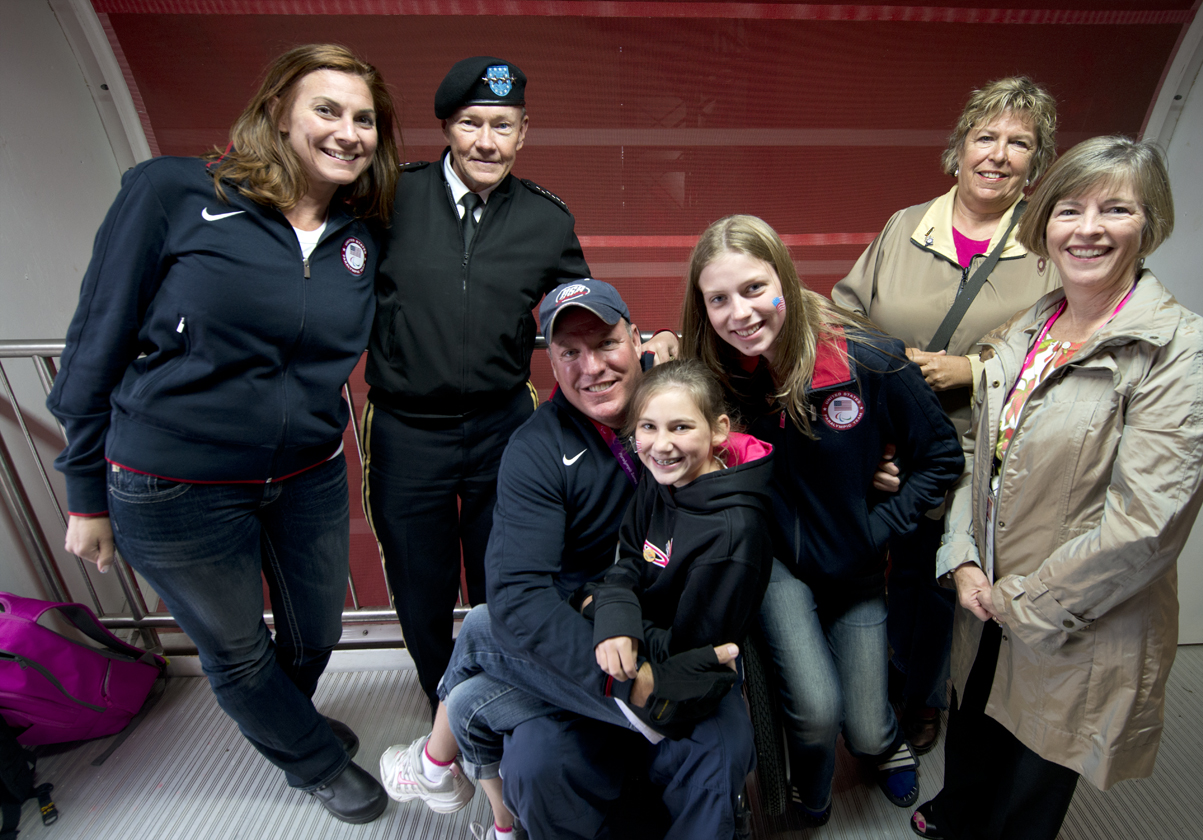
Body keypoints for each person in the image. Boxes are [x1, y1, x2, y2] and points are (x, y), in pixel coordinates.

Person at [47, 45, 400, 823]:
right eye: (328, 110)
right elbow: (96, 341)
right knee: (237, 648)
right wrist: (83, 493)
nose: (349, 131)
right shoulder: (175, 191)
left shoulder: (361, 234)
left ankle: (285, 720)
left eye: (365, 118)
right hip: (174, 484)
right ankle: (308, 759)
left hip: (307, 472)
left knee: (316, 630)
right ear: (278, 112)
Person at [910, 136, 1203, 840]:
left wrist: (1021, 601)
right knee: (975, 733)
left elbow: (1144, 528)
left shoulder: (1179, 352)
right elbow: (980, 451)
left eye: (1115, 209)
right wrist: (962, 554)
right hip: (989, 593)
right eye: (1069, 209)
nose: (1087, 229)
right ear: (1044, 224)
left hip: (1075, 614)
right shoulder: (1029, 327)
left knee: (1030, 782)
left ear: (1149, 224)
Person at [379, 283, 758, 840]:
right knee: (534, 751)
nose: (592, 368)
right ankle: (486, 795)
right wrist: (635, 684)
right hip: (586, 636)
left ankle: (439, 759)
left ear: (637, 340)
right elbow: (520, 599)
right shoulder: (535, 448)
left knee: (721, 741)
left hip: (680, 629)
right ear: (551, 362)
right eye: (570, 353)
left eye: (606, 344)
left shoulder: (680, 404)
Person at [362, 57, 677, 715]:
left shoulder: (545, 220)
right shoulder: (390, 195)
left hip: (502, 425)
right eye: (472, 123)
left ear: (522, 132)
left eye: (501, 125)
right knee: (421, 584)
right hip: (406, 428)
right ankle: (440, 701)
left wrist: (647, 348)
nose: (486, 141)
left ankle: (500, 697)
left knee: (506, 578)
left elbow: (584, 314)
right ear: (447, 126)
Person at [682, 215, 964, 824]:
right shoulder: (713, 378)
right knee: (814, 708)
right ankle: (810, 786)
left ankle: (883, 744)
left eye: (754, 288)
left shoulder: (869, 360)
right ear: (702, 309)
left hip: (856, 558)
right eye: (719, 299)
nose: (741, 314)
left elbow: (942, 458)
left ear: (783, 278)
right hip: (777, 562)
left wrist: (880, 524)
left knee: (863, 728)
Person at [832, 76, 1061, 752]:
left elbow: (1063, 351)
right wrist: (885, 359)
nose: (997, 154)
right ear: (958, 148)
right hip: (882, 442)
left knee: (934, 585)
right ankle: (864, 688)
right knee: (870, 569)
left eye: (1018, 142)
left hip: (975, 451)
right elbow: (844, 314)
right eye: (985, 136)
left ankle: (921, 696)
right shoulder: (906, 225)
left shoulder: (1051, 244)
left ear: (1037, 160)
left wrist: (977, 370)